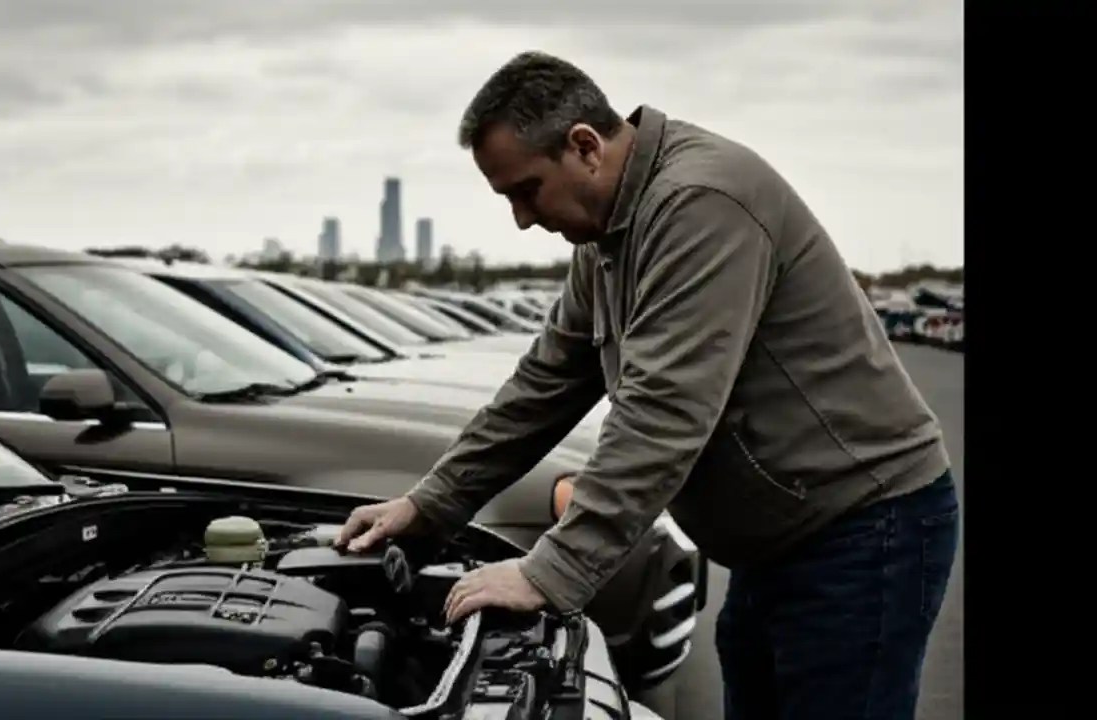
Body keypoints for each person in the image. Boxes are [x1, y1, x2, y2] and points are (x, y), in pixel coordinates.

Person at [335, 50, 959, 720]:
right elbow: (542, 387)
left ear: (585, 147)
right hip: (780, 541)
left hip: (861, 530)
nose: (521, 218)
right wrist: (429, 505)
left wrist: (550, 573)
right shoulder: (607, 238)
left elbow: (664, 412)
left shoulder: (699, 204)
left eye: (526, 189)